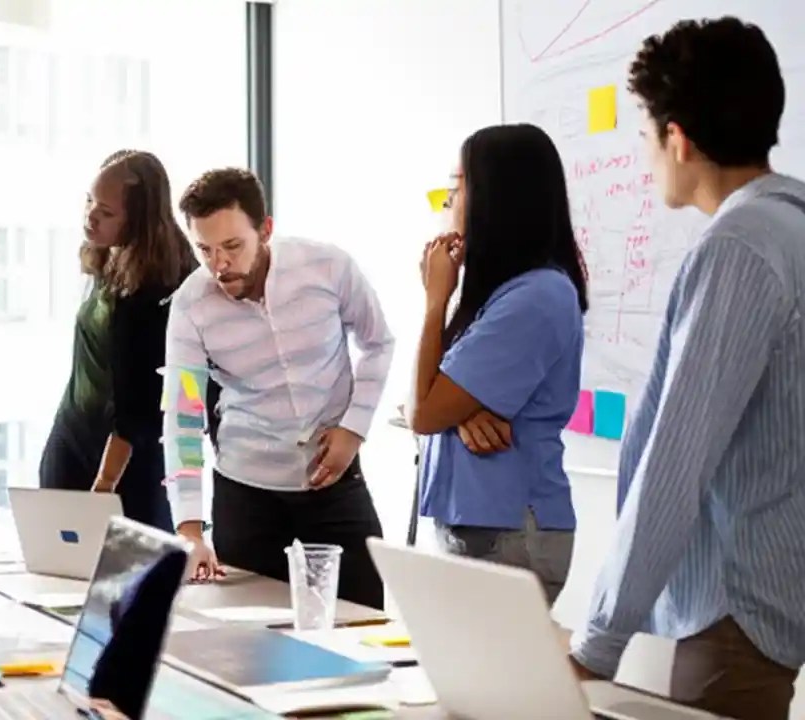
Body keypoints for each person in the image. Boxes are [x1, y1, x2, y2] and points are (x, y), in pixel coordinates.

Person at [567, 17, 805, 720]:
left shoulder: (738, 247)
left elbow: (679, 457)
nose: (646, 155)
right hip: (772, 590)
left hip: (733, 611)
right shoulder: (791, 228)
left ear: (678, 137)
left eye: (644, 134)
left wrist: (597, 639)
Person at [161, 167, 394, 609]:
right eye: (205, 250)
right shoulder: (191, 305)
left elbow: (378, 343)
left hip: (334, 480)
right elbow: (183, 417)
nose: (219, 265)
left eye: (232, 246)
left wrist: (355, 428)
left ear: (265, 229)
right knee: (251, 645)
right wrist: (189, 530)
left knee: (364, 620)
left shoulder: (328, 266)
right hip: (246, 494)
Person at [407, 123, 588, 605]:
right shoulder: (500, 293)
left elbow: (424, 412)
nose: (448, 202)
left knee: (496, 681)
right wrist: (461, 411)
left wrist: (433, 302)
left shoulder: (536, 296)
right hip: (481, 524)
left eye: (456, 186)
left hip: (509, 529)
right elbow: (426, 404)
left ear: (496, 195)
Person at [39, 150, 198, 533]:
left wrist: (104, 485)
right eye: (90, 201)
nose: (91, 215)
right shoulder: (109, 259)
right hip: (75, 437)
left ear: (138, 221)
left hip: (124, 464)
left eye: (107, 212)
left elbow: (140, 410)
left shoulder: (158, 286)